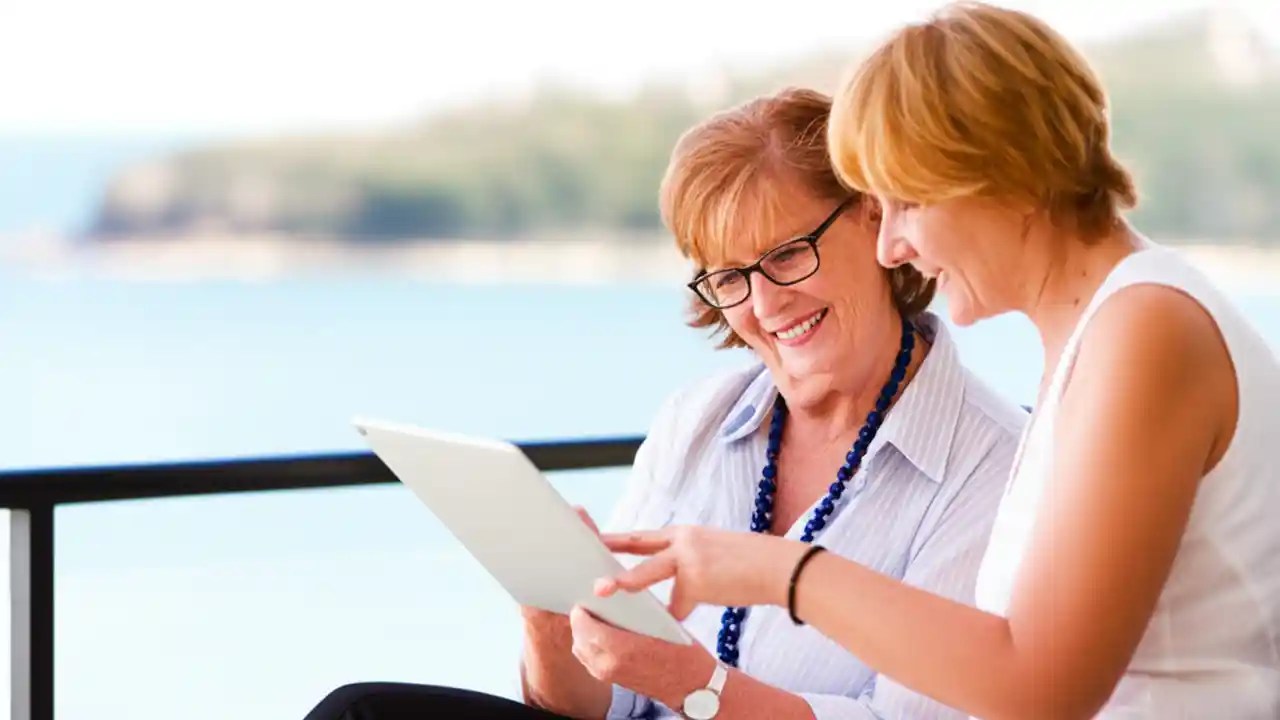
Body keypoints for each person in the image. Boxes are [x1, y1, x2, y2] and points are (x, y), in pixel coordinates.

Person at [597, 4, 1280, 719]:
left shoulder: (1145, 332)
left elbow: (1042, 691)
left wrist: (776, 572)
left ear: (1003, 178)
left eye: (906, 203)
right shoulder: (1104, 332)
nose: (890, 246)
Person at [304, 87, 1024, 720]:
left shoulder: (990, 466)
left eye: (787, 255)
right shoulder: (699, 422)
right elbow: (606, 703)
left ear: (874, 219)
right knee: (362, 712)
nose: (766, 304)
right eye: (731, 277)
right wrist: (550, 623)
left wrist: (693, 684)